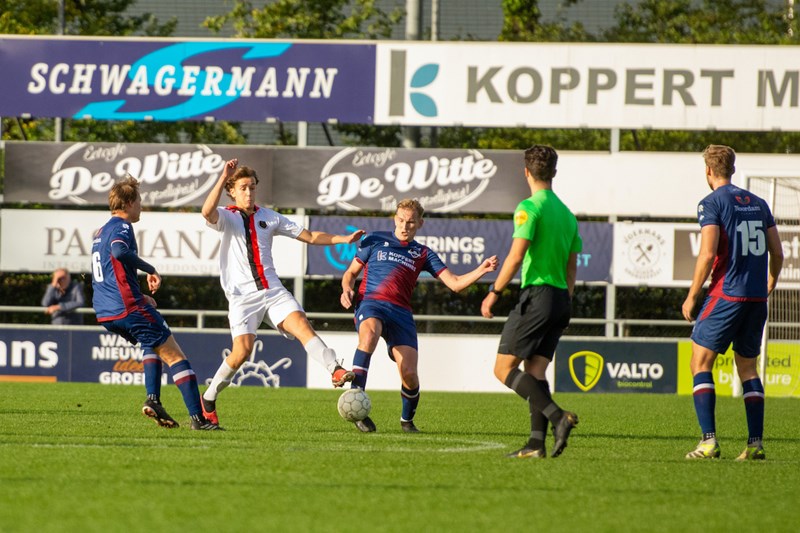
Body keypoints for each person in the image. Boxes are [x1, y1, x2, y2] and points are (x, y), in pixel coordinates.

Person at [200, 159, 365, 425]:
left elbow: (310, 236)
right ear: (232, 191)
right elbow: (206, 213)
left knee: (301, 324)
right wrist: (222, 177)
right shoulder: (227, 216)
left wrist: (342, 239)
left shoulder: (269, 217)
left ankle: (334, 369)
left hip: (272, 290)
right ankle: (208, 398)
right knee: (242, 351)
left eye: (252, 187)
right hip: (243, 298)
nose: (249, 192)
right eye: (243, 188)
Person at [340, 198, 498, 433]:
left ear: (420, 224)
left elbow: (454, 284)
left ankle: (407, 421)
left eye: (411, 223)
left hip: (400, 313)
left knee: (410, 375)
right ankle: (357, 400)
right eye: (401, 220)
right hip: (371, 304)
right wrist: (346, 287)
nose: (405, 226)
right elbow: (350, 273)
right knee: (369, 335)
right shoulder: (374, 239)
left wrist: (481, 270)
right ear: (395, 218)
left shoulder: (423, 253)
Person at [91, 175, 221, 431]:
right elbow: (119, 252)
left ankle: (154, 400)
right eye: (139, 200)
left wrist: (141, 296)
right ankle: (199, 419)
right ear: (128, 203)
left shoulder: (101, 231)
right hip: (126, 307)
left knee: (151, 343)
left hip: (106, 311)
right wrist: (150, 269)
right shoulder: (122, 227)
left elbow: (111, 272)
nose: (141, 206)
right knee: (177, 357)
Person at [681, 145, 783, 461]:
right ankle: (754, 444)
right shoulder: (759, 203)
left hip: (726, 295)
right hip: (755, 297)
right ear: (733, 169)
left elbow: (708, 253)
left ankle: (709, 442)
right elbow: (777, 252)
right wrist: (770, 282)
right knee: (748, 368)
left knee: (699, 362)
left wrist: (693, 294)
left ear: (708, 171)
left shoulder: (711, 203)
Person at [480, 145, 581, 459]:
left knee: (502, 369)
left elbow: (516, 256)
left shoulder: (529, 207)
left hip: (537, 296)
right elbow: (572, 265)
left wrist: (494, 292)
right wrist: (565, 299)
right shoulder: (567, 213)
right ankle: (535, 445)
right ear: (554, 173)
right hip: (561, 298)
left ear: (526, 172)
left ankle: (558, 417)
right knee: (535, 371)